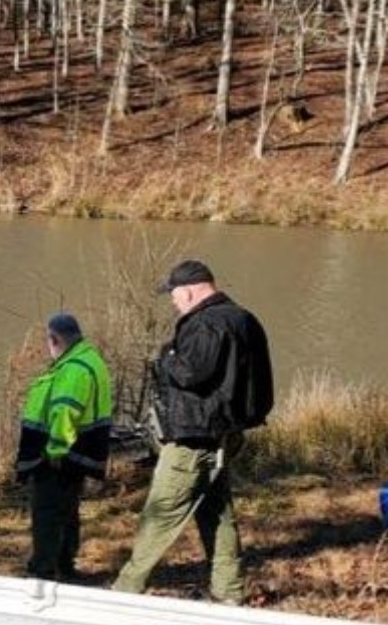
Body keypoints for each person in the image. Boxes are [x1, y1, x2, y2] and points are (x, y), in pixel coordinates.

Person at [113, 259, 274, 604]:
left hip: (194, 438)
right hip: (226, 435)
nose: (173, 301)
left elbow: (190, 374)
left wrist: (167, 356)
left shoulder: (204, 324)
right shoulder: (245, 319)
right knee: (216, 512)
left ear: (188, 290)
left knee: (160, 513)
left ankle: (125, 592)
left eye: (173, 294)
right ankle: (229, 591)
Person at [14, 312, 113, 582]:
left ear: (54, 339)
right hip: (79, 454)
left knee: (47, 513)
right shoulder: (89, 360)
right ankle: (64, 565)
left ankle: (43, 572)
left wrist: (55, 451)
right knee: (66, 510)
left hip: (60, 457)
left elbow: (64, 412)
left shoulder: (73, 369)